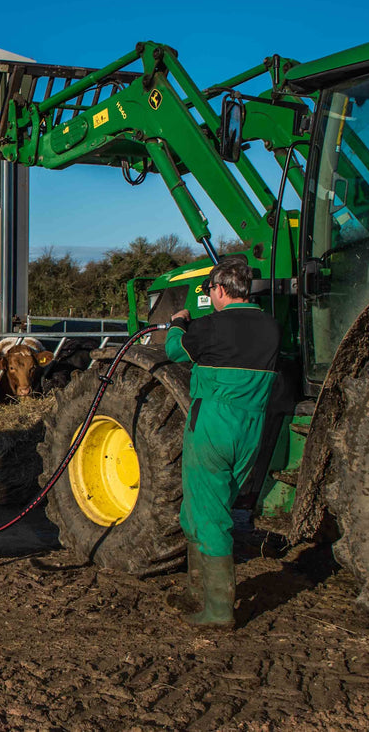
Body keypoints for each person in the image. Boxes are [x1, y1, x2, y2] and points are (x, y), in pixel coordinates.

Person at [163, 258, 279, 629]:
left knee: (210, 516)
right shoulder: (271, 327)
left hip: (213, 425)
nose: (210, 296)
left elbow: (174, 351)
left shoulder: (210, 326)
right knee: (206, 507)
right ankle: (196, 592)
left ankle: (217, 610)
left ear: (220, 289)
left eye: (210, 289)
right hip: (252, 426)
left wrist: (178, 322)